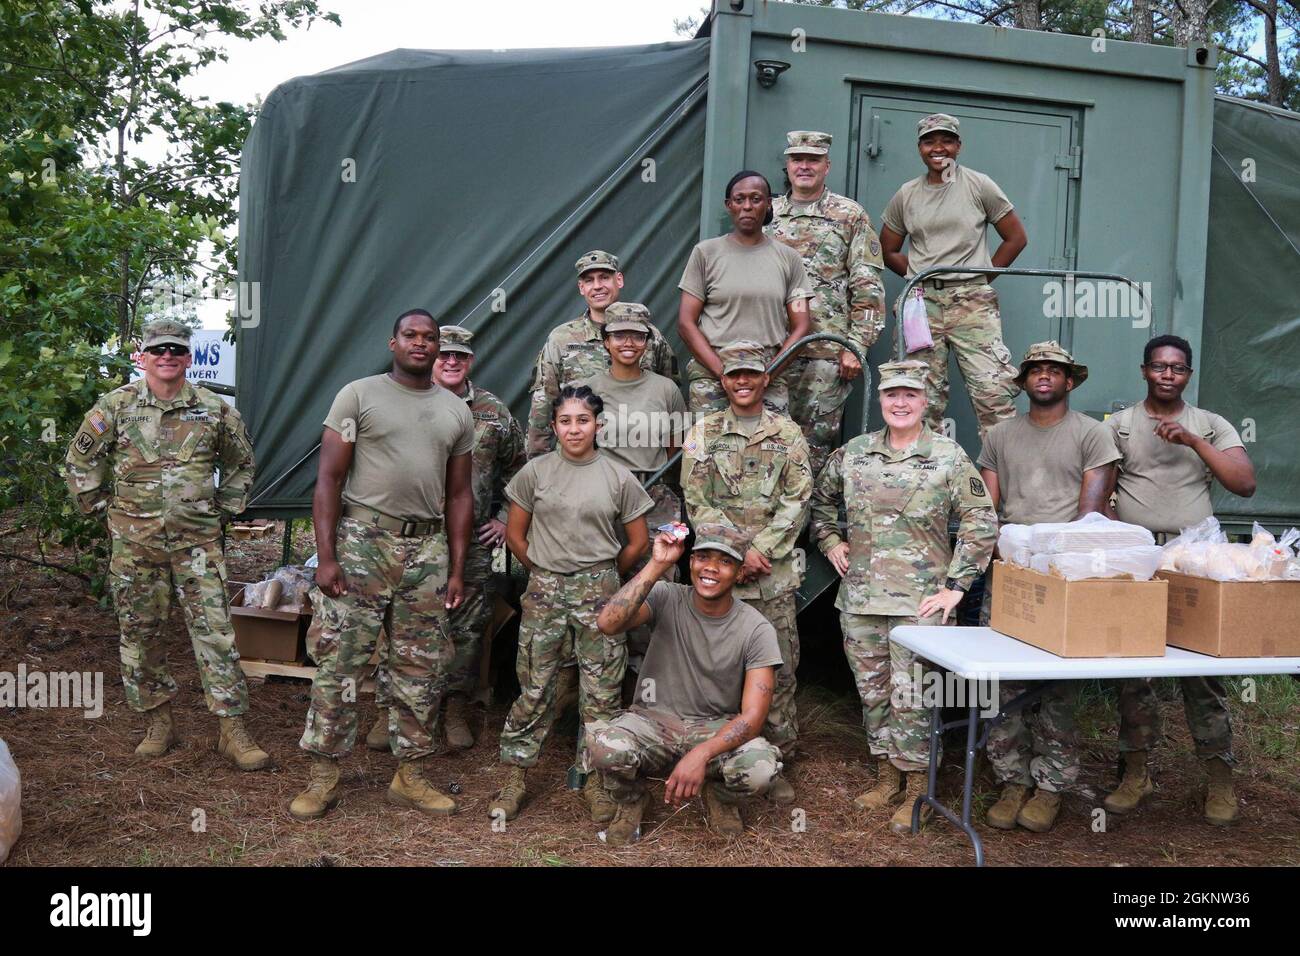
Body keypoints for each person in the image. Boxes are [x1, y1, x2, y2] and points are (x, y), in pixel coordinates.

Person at [290, 310, 475, 821]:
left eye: (429, 337)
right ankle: (324, 777)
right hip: (362, 542)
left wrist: (457, 568)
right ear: (392, 341)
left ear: (439, 347)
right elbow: (328, 479)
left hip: (428, 552)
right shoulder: (358, 395)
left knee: (422, 666)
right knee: (341, 660)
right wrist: (325, 557)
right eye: (411, 336)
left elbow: (460, 495)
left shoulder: (456, 411)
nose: (421, 344)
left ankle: (409, 776)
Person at [64, 319, 268, 771]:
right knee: (142, 634)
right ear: (143, 356)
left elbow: (241, 463)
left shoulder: (214, 409)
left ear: (189, 356)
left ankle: (232, 729)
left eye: (177, 348)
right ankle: (159, 722)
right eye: (158, 350)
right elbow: (80, 460)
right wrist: (104, 512)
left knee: (216, 634)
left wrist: (224, 510)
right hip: (137, 549)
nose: (168, 356)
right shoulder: (115, 406)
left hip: (199, 545)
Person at [810, 360, 996, 834]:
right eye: (892, 394)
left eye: (910, 395)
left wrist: (956, 588)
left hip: (921, 603)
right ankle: (885, 775)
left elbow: (980, 522)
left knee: (912, 696)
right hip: (861, 600)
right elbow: (820, 502)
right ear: (881, 400)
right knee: (873, 695)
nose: (900, 402)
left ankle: (917, 786)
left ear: (925, 401)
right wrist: (831, 541)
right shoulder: (854, 455)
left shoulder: (949, 458)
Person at [1103, 334, 1256, 826]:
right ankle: (1136, 772)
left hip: (1195, 557)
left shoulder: (1210, 424)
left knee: (1202, 668)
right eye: (1159, 366)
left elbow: (1244, 484)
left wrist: (1193, 441)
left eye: (1178, 368)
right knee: (1134, 668)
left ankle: (1218, 777)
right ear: (1144, 370)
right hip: (1141, 556)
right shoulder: (1120, 425)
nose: (1168, 374)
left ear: (1188, 374)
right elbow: (1100, 492)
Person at [490, 385, 653, 825]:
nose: (574, 428)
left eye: (583, 420)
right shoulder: (535, 473)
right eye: (566, 421)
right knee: (535, 686)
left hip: (599, 592)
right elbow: (516, 535)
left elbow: (638, 542)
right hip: (545, 593)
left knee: (600, 692)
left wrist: (601, 575)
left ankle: (596, 779)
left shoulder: (618, 477)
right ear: (555, 426)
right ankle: (516, 777)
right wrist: (545, 570)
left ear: (598, 424)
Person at [977, 341, 1120, 833]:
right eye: (1035, 369)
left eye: (1054, 370)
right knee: (1001, 680)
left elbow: (1091, 513)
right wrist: (1005, 556)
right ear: (1024, 381)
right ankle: (1011, 779)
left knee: (1057, 684)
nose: (1044, 376)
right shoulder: (999, 435)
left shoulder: (1093, 434)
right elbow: (987, 511)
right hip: (1012, 570)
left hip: (1064, 571)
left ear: (1070, 380)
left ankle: (1052, 785)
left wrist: (1056, 562)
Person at [363, 325, 525, 754]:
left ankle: (454, 707)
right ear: (430, 358)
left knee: (468, 626)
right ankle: (389, 708)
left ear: (470, 360)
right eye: (444, 355)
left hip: (469, 539)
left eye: (460, 356)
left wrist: (508, 517)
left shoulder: (492, 411)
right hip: (411, 535)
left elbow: (519, 470)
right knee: (399, 623)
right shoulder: (400, 401)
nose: (451, 362)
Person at [588, 524, 784, 844]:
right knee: (605, 745)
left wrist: (702, 753)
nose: (710, 567)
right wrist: (658, 564)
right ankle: (632, 800)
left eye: (724, 561)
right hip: (652, 722)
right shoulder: (667, 596)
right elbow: (608, 623)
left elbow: (753, 717)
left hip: (712, 728)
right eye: (702, 557)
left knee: (760, 766)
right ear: (690, 562)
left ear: (738, 572)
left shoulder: (756, 629)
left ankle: (720, 796)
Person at [681, 341, 812, 803]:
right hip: (719, 575)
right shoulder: (703, 431)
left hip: (772, 575)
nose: (742, 381)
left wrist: (761, 550)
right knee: (714, 670)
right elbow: (696, 499)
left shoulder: (788, 434)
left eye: (751, 374)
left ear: (765, 379)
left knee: (779, 670)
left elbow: (798, 499)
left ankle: (776, 761)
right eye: (734, 374)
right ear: (723, 380)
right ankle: (717, 757)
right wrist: (739, 554)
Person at [880, 113, 1028, 438]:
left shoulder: (979, 185)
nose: (938, 148)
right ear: (919, 148)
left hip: (971, 302)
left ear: (958, 146)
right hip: (921, 304)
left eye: (946, 140)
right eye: (929, 141)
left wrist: (979, 278)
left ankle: (1003, 484)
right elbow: (888, 249)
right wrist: (920, 277)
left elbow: (1016, 238)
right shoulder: (907, 194)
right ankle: (922, 477)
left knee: (994, 394)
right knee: (918, 395)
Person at [769, 130, 887, 477]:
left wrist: (856, 346)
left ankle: (814, 528)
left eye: (813, 159)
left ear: (827, 165)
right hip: (773, 349)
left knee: (816, 447)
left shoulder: (849, 215)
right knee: (768, 442)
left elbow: (867, 286)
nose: (804, 166)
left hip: (826, 353)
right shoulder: (766, 212)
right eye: (797, 159)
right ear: (788, 165)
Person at [678, 170, 812, 416]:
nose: (747, 206)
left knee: (771, 448)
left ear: (769, 203)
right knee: (707, 450)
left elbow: (802, 325)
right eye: (739, 200)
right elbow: (686, 323)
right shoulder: (705, 254)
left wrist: (769, 372)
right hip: (714, 369)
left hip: (768, 369)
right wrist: (721, 372)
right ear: (729, 205)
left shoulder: (789, 259)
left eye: (756, 198)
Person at [526, 250, 677, 458]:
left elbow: (670, 399)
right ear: (581, 288)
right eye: (589, 280)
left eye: (605, 277)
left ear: (619, 280)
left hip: (637, 462)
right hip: (579, 463)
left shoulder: (650, 336)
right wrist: (539, 466)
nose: (597, 286)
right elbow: (542, 406)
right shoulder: (561, 339)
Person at [579, 302, 689, 551]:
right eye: (619, 335)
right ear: (606, 341)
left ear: (647, 342)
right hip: (602, 495)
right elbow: (575, 444)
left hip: (656, 498)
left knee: (660, 573)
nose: (628, 343)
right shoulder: (588, 389)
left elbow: (678, 442)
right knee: (601, 573)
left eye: (637, 336)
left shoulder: (666, 389)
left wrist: (655, 471)